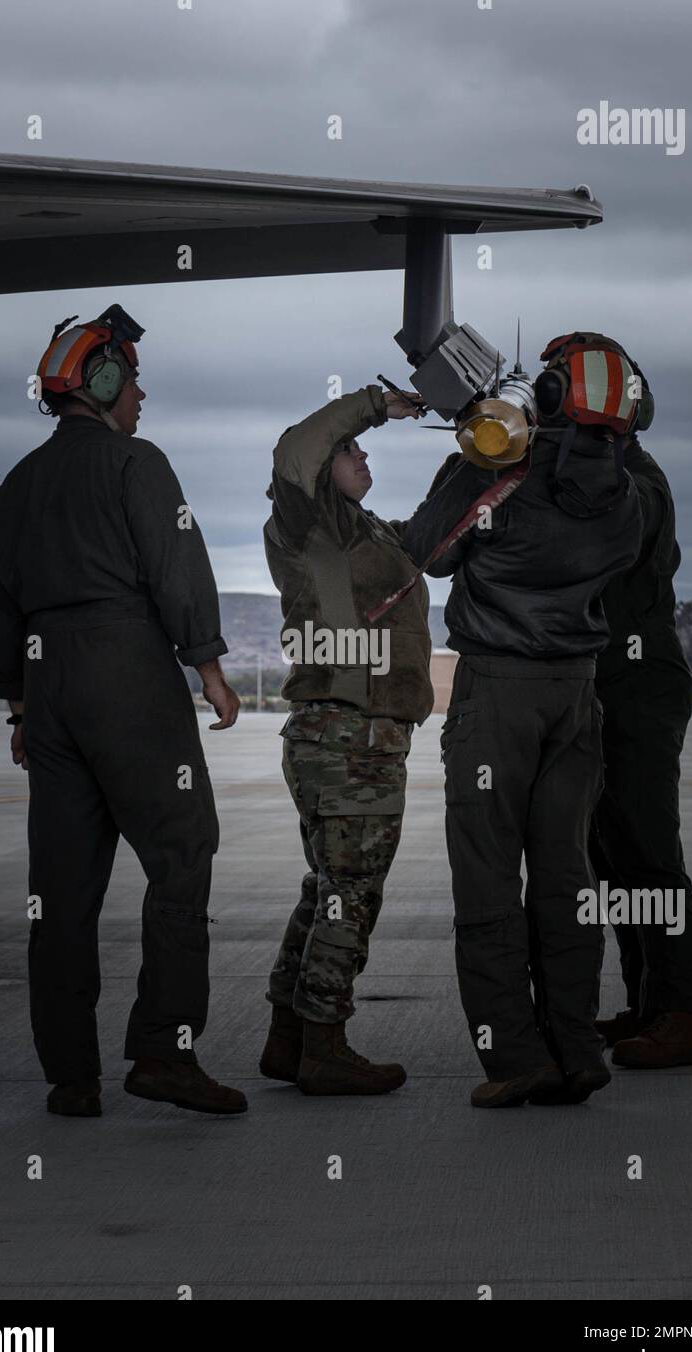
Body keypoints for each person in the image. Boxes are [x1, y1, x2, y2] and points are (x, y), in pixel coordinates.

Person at [0, 304, 246, 1118]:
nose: (141, 396)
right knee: (182, 850)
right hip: (125, 670)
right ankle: (164, 1051)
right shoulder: (138, 464)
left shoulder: (17, 483)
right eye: (132, 380)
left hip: (47, 684)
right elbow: (176, 568)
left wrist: (22, 707)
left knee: (59, 888)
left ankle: (71, 1075)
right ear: (100, 382)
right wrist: (209, 667)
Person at [402, 332, 643, 1108]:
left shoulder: (501, 474)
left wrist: (481, 453)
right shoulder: (629, 499)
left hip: (498, 693)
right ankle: (576, 1046)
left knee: (487, 878)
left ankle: (513, 1056)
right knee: (567, 876)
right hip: (575, 695)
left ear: (545, 400)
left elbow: (425, 551)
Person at [259, 382, 431, 1096]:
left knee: (329, 885)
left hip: (356, 731)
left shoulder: (367, 530)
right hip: (347, 731)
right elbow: (294, 449)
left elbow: (437, 532)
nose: (365, 458)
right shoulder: (310, 523)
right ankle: (325, 1043)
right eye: (352, 450)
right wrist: (372, 403)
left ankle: (289, 1037)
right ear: (325, 461)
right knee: (352, 892)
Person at [591, 421, 692, 1068]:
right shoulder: (606, 466)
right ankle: (646, 1004)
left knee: (648, 848)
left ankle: (679, 1014)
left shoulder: (636, 476)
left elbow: (626, 531)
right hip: (605, 682)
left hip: (640, 682)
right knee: (612, 853)